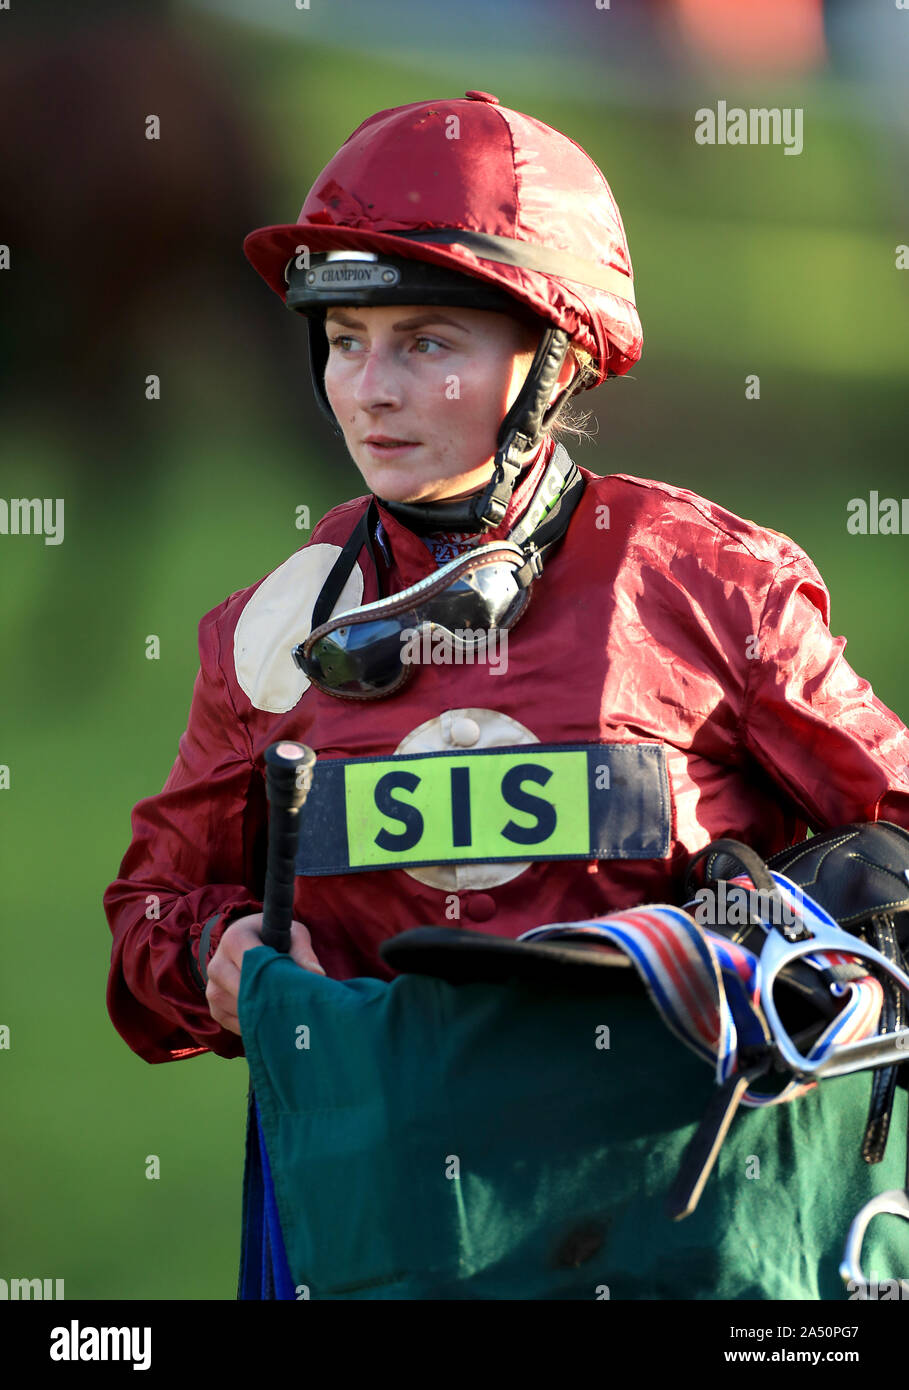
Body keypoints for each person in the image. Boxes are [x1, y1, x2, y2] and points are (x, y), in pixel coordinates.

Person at [104, 92, 909, 1296]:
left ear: (554, 355)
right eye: (345, 339)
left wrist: (820, 915)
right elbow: (148, 927)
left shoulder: (707, 587)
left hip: (671, 1246)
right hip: (383, 1242)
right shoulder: (267, 636)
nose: (369, 389)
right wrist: (217, 954)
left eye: (428, 341)